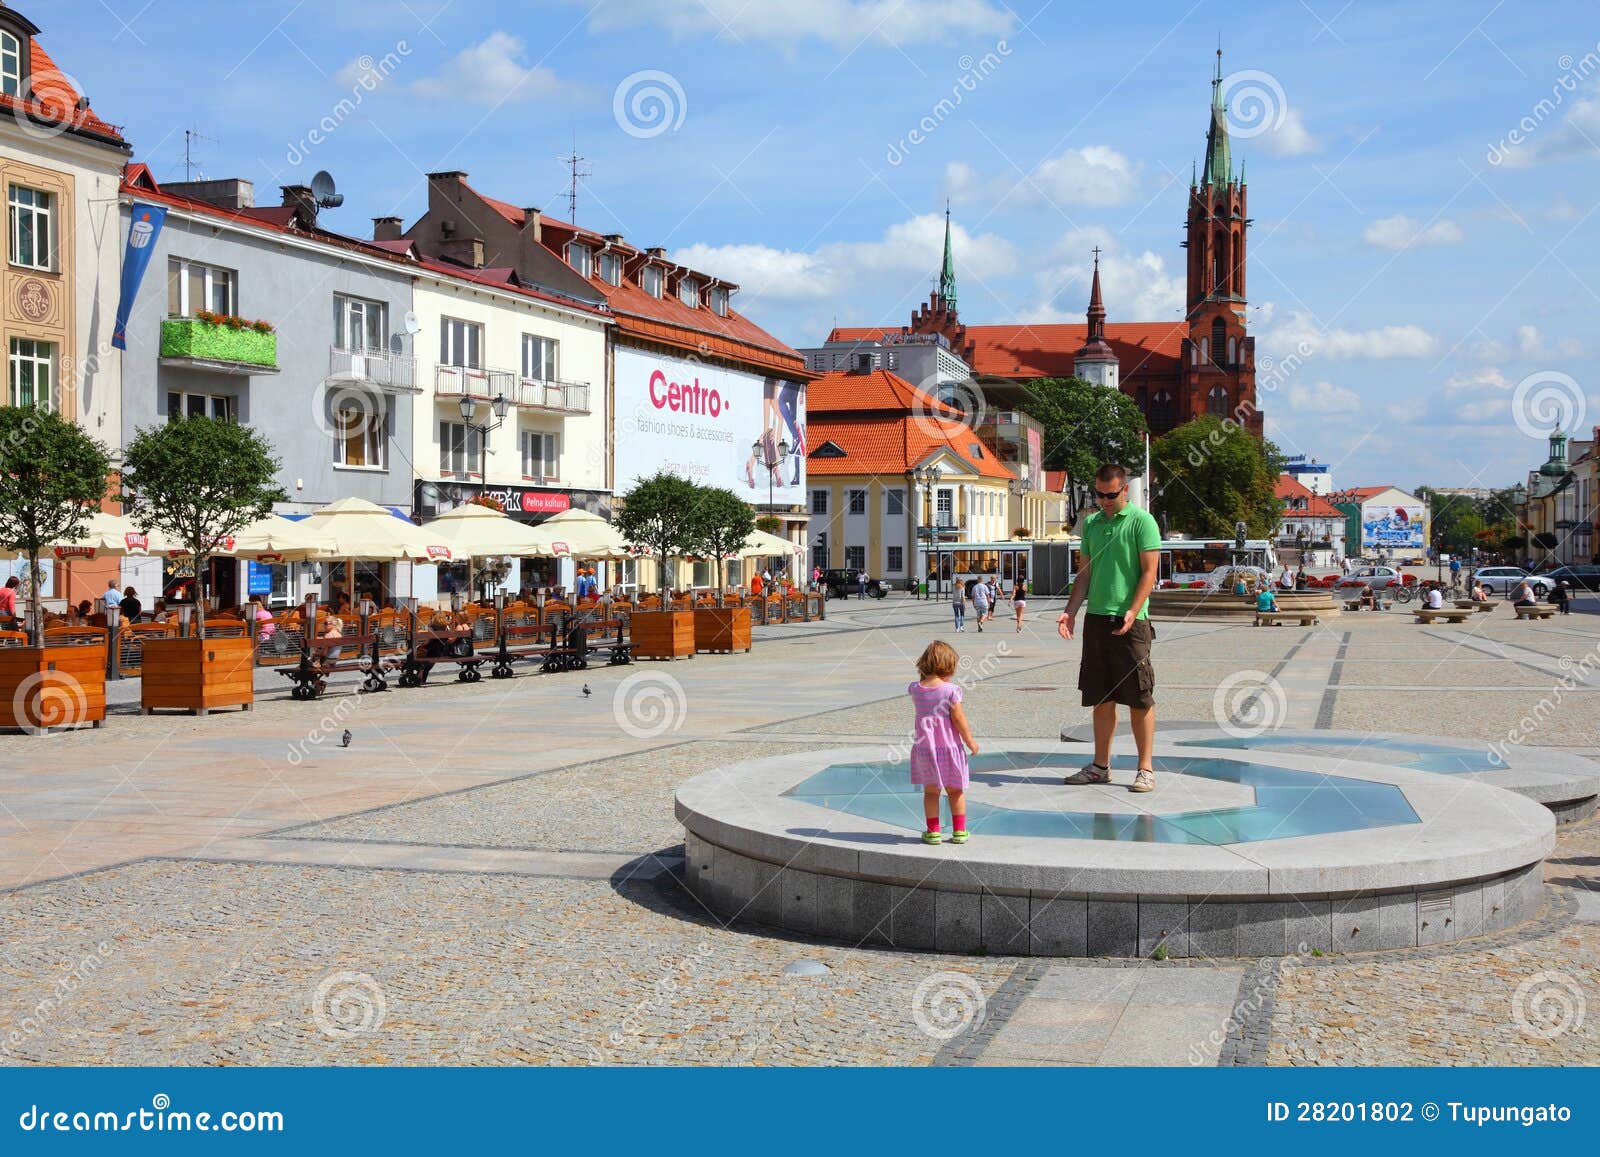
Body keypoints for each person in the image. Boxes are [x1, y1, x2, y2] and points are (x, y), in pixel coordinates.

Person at [1058, 463, 1161, 794]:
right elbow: (1084, 574)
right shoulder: (1090, 524)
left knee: (1139, 697)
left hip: (1131, 622)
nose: (1104, 500)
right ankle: (1100, 766)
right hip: (1097, 619)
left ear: (1125, 491)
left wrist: (1133, 610)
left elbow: (1149, 573)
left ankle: (1145, 769)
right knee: (1100, 697)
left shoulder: (1142, 522)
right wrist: (1070, 611)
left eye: (1111, 495)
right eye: (1100, 494)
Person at [908, 640, 979, 846]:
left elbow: (924, 690)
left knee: (930, 792)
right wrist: (970, 742)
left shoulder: (915, 688)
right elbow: (958, 720)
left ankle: (933, 832)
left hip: (925, 751)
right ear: (947, 666)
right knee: (955, 791)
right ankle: (959, 832)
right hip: (948, 750)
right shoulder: (951, 691)